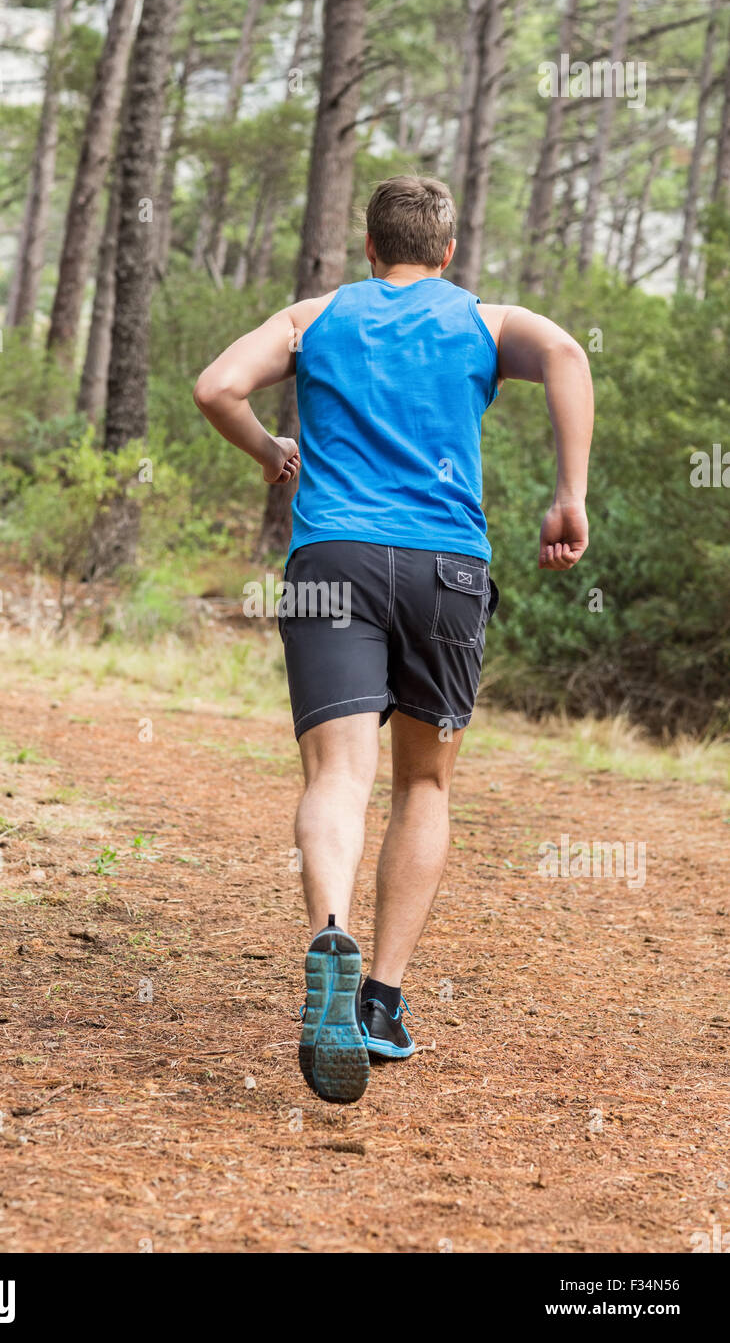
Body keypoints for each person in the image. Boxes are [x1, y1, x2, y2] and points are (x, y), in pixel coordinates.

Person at [193, 175, 593, 1104]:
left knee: (337, 776)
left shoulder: (315, 316)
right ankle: (379, 999)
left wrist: (271, 453)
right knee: (423, 781)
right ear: (447, 253)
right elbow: (569, 354)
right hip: (445, 569)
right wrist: (569, 495)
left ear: (368, 249)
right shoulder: (485, 322)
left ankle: (328, 929)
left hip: (331, 557)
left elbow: (216, 386)